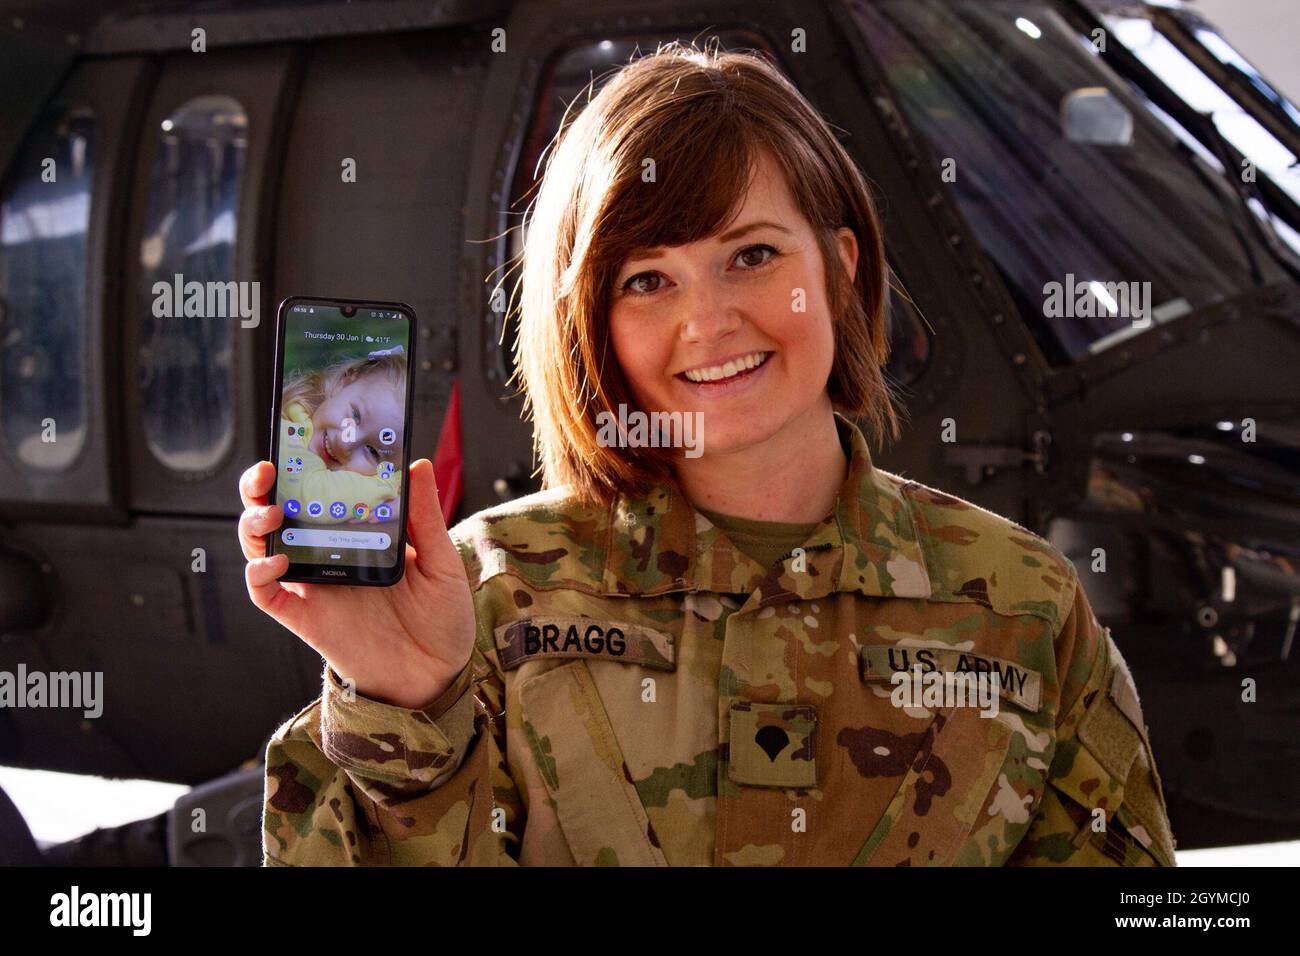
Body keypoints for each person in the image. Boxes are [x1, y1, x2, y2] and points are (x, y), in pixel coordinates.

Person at [240, 43, 1176, 866]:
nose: (709, 321)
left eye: (754, 255)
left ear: (839, 269)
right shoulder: (482, 598)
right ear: (591, 325)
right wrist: (402, 705)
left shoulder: (1024, 606)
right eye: (648, 280)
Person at [276, 349, 405, 525]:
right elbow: (309, 495)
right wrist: (393, 486)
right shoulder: (284, 428)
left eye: (373, 451)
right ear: (345, 382)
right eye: (355, 415)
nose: (346, 442)